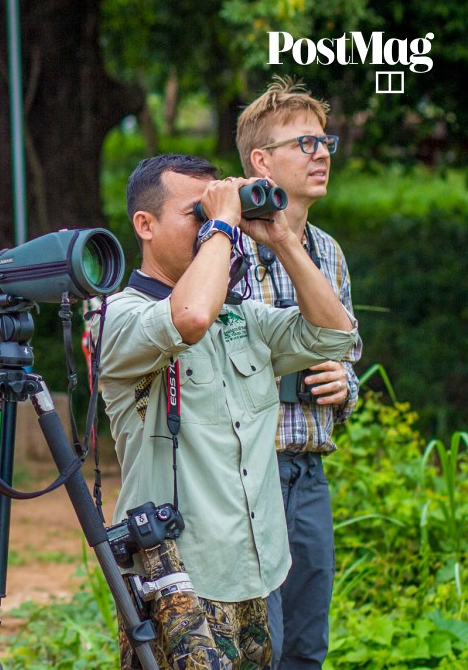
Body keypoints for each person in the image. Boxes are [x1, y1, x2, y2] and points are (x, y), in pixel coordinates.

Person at [97, 154, 359, 667]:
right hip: (177, 576)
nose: (210, 227)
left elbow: (334, 334)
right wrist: (220, 224)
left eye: (215, 212)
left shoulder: (242, 317)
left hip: (255, 571)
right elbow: (189, 316)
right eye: (196, 213)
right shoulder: (117, 317)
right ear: (144, 226)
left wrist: (281, 238)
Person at [235, 77, 361, 669]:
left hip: (309, 472)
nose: (321, 154)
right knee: (263, 644)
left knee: (308, 647)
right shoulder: (224, 245)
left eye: (324, 142)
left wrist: (345, 384)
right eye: (304, 143)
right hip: (245, 473)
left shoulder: (330, 251)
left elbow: (348, 356)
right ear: (261, 161)